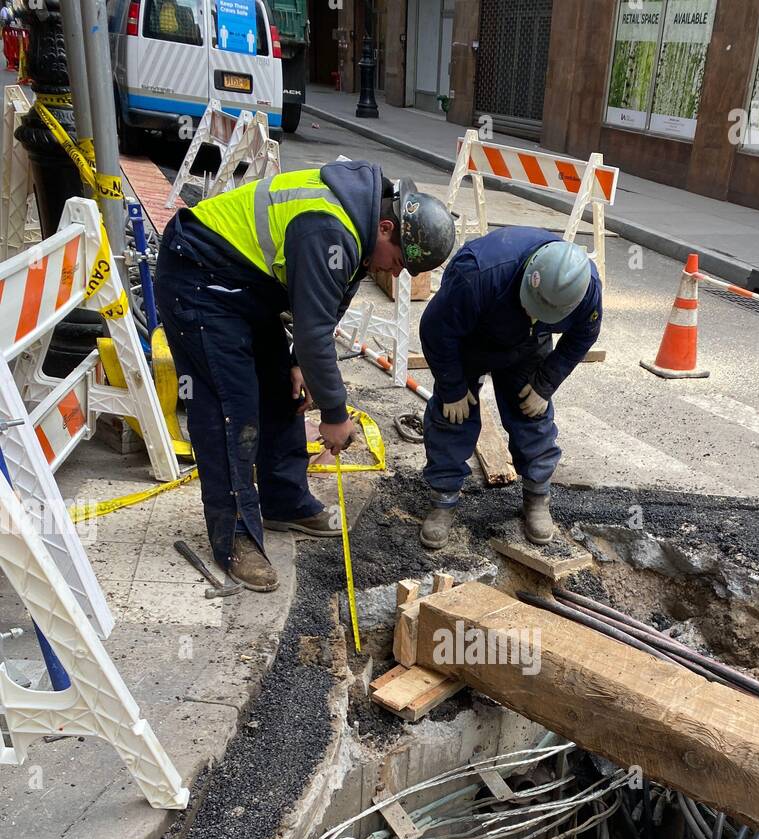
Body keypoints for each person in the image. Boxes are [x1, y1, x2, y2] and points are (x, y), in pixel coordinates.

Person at [155, 163, 454, 591]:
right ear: (386, 228)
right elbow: (314, 330)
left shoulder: (362, 225)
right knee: (231, 409)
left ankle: (284, 501)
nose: (393, 272)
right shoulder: (329, 228)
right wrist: (335, 413)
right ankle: (234, 538)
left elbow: (327, 304)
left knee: (282, 386)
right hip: (199, 275)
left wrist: (299, 362)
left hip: (242, 281)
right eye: (399, 261)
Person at [417, 229, 602, 549]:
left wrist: (545, 384)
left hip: (528, 345)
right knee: (452, 417)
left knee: (532, 413)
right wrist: (452, 387)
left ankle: (537, 496)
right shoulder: (477, 274)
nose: (534, 311)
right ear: (531, 275)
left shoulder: (585, 290)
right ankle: (443, 498)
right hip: (470, 340)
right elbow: (436, 330)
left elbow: (583, 337)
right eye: (534, 305)